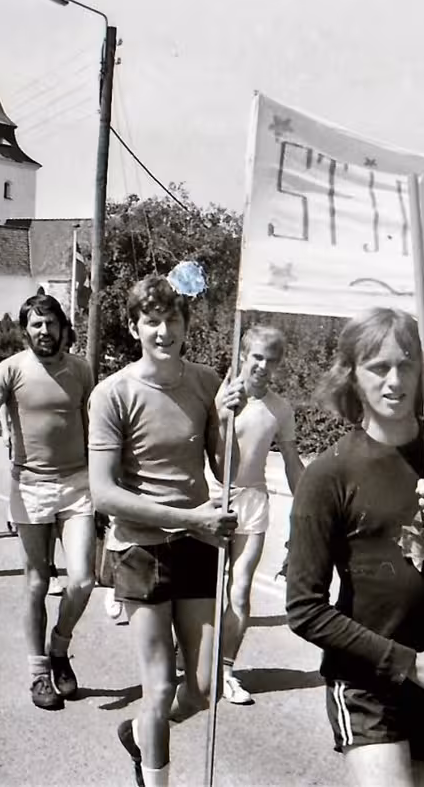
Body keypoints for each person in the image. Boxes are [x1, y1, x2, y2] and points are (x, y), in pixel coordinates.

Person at [285, 307, 424, 787]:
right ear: (352, 376)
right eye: (378, 367)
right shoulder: (329, 475)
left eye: (406, 364)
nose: (395, 380)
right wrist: (411, 665)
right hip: (367, 682)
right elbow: (305, 609)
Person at [89, 275, 245, 787]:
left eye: (172, 319)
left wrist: (227, 420)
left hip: (197, 546)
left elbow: (226, 470)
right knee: (157, 687)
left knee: (202, 690)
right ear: (135, 327)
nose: (163, 330)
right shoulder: (113, 394)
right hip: (141, 547)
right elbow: (104, 494)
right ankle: (156, 774)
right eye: (151, 321)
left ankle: (139, 732)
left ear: (185, 324)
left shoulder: (205, 382)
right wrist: (190, 518)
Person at [0, 294, 96, 711]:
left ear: (62, 327)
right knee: (37, 583)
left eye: (51, 323)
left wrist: (107, 483)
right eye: (36, 325)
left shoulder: (81, 369)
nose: (44, 331)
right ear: (26, 330)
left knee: (83, 579)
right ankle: (39, 674)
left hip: (77, 484)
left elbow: (94, 427)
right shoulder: (10, 370)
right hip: (31, 486)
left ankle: (60, 646)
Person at [211, 325, 306, 705]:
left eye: (272, 360)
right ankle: (188, 651)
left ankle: (225, 671)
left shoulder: (280, 409)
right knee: (201, 590)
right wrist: (221, 415)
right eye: (257, 358)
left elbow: (293, 464)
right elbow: (207, 453)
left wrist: (307, 512)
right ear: (243, 357)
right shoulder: (219, 394)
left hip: (252, 501)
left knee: (240, 587)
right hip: (210, 497)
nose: (263, 367)